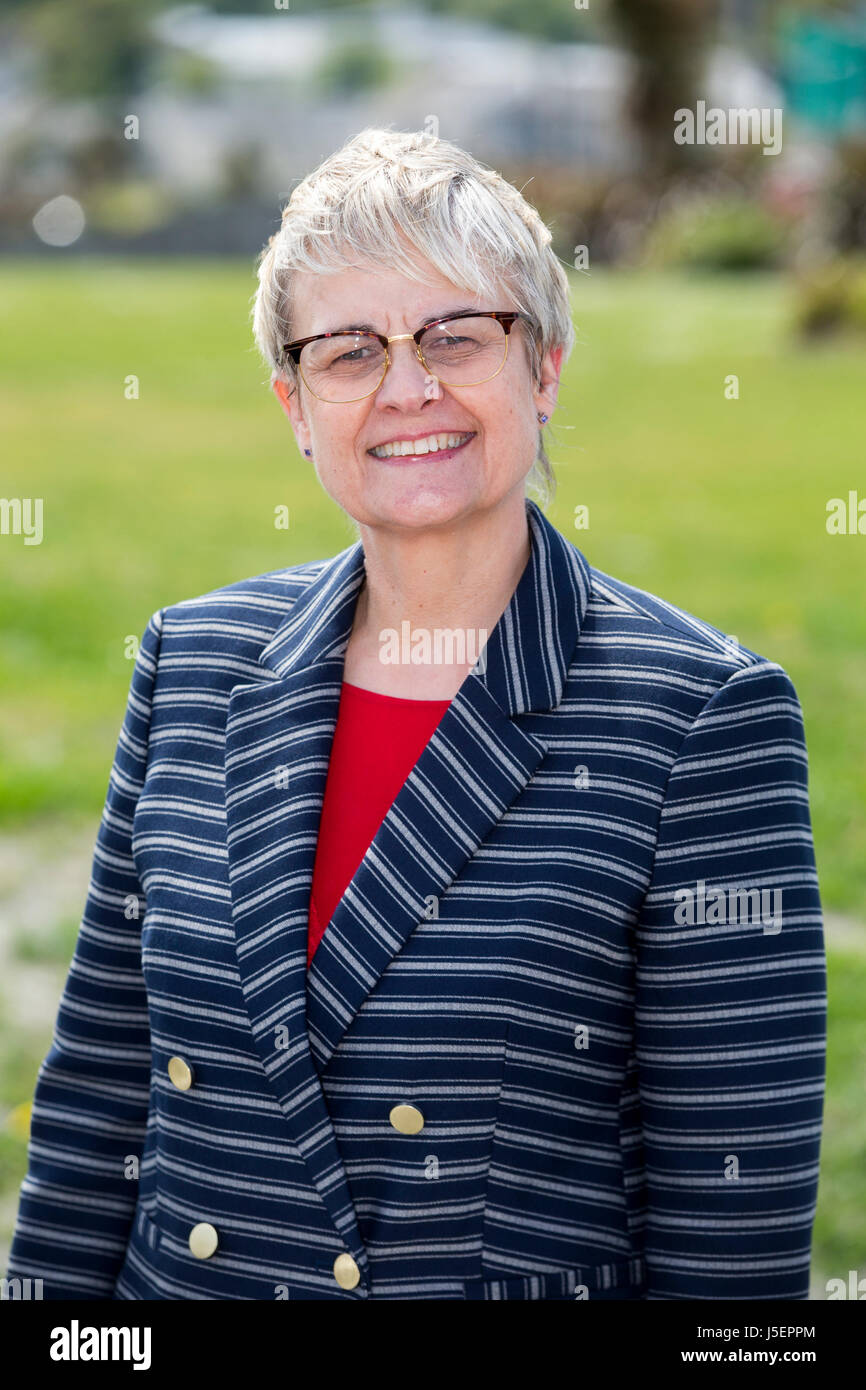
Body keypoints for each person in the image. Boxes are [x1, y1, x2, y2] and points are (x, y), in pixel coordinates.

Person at [6, 126, 826, 1301]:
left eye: (454, 335)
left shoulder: (698, 717)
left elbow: (728, 1239)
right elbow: (95, 1107)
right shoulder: (191, 658)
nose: (407, 386)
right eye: (349, 352)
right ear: (294, 405)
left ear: (540, 370)